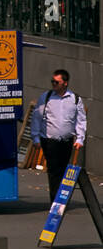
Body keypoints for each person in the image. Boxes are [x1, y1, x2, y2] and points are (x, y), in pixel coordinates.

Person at [29, 68, 87, 197]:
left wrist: (79, 139)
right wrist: (36, 138)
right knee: (54, 170)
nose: (53, 84)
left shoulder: (75, 99)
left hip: (66, 141)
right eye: (52, 82)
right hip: (49, 141)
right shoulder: (46, 97)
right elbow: (37, 118)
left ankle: (61, 198)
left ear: (65, 83)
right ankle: (55, 200)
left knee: (63, 169)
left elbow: (81, 120)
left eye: (56, 82)